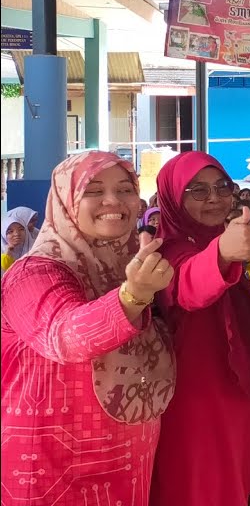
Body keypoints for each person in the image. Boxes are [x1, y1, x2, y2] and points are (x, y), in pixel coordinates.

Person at [0, 152, 176, 504]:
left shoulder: (124, 267)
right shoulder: (33, 273)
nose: (113, 201)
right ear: (66, 200)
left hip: (128, 466)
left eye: (125, 189)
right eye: (94, 190)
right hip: (48, 469)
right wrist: (133, 296)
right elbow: (64, 337)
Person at [149, 151, 250, 506]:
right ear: (172, 198)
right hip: (196, 406)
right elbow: (188, 286)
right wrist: (222, 253)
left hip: (240, 394)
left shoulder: (221, 241)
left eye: (222, 186)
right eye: (197, 190)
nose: (214, 198)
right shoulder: (165, 253)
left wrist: (223, 248)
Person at [1, 206, 38, 272]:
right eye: (10, 231)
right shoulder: (3, 250)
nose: (17, 234)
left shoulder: (35, 244)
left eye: (21, 229)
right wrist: (7, 254)